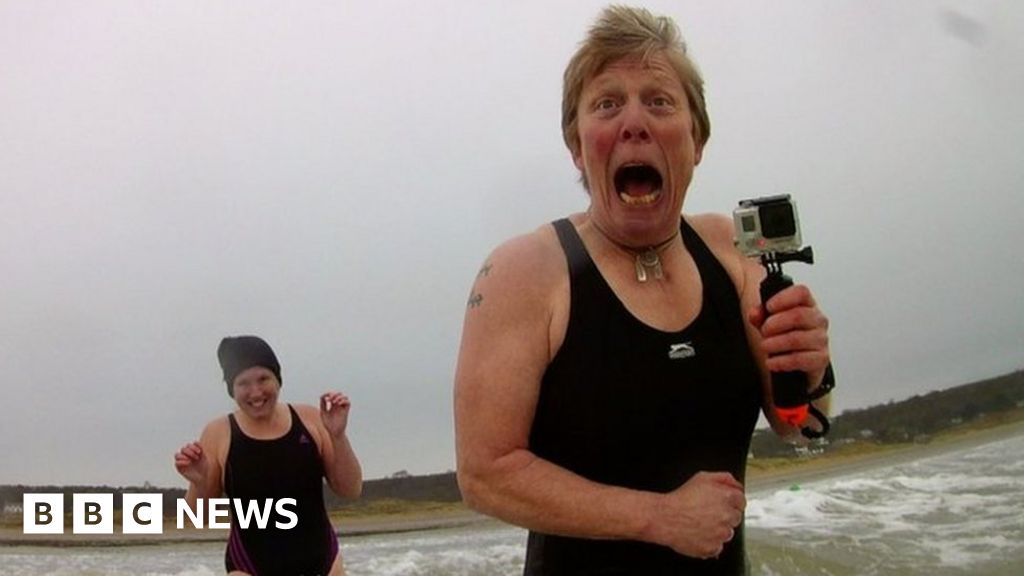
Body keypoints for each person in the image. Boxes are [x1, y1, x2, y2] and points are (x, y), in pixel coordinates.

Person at [453, 6, 832, 574]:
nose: (634, 122)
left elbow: (799, 426)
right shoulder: (523, 272)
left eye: (659, 101)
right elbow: (485, 474)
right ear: (578, 147)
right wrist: (656, 517)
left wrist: (814, 369)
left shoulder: (732, 253)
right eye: (607, 104)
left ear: (696, 139)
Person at [174, 335, 363, 576]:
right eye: (243, 383)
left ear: (278, 379)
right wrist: (199, 481)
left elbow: (350, 489)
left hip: (323, 565)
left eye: (264, 378)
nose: (255, 392)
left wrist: (338, 437)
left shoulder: (311, 419)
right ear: (232, 389)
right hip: (250, 568)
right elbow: (196, 519)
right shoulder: (218, 433)